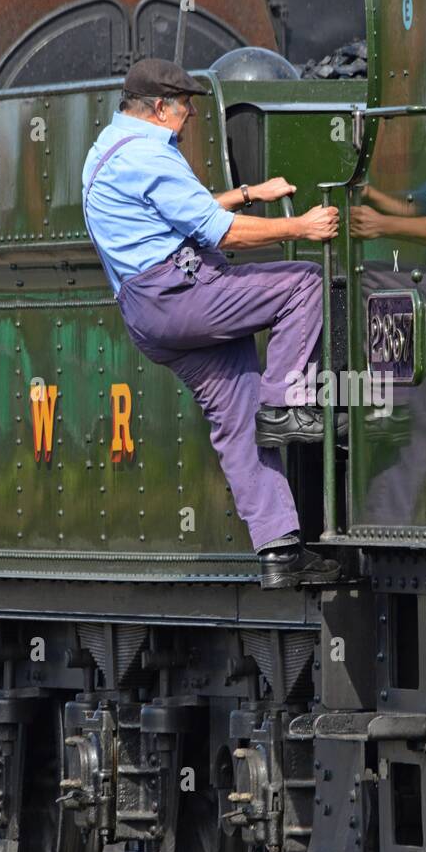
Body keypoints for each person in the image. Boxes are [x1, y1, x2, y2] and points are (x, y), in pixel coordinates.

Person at [82, 58, 341, 590]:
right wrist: (302, 226)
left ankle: (279, 551)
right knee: (304, 283)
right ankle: (288, 407)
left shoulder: (107, 149)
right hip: (181, 294)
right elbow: (218, 234)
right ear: (159, 108)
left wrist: (250, 194)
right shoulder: (153, 154)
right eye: (185, 106)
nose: (191, 116)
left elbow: (175, 211)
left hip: (148, 316)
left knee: (236, 418)